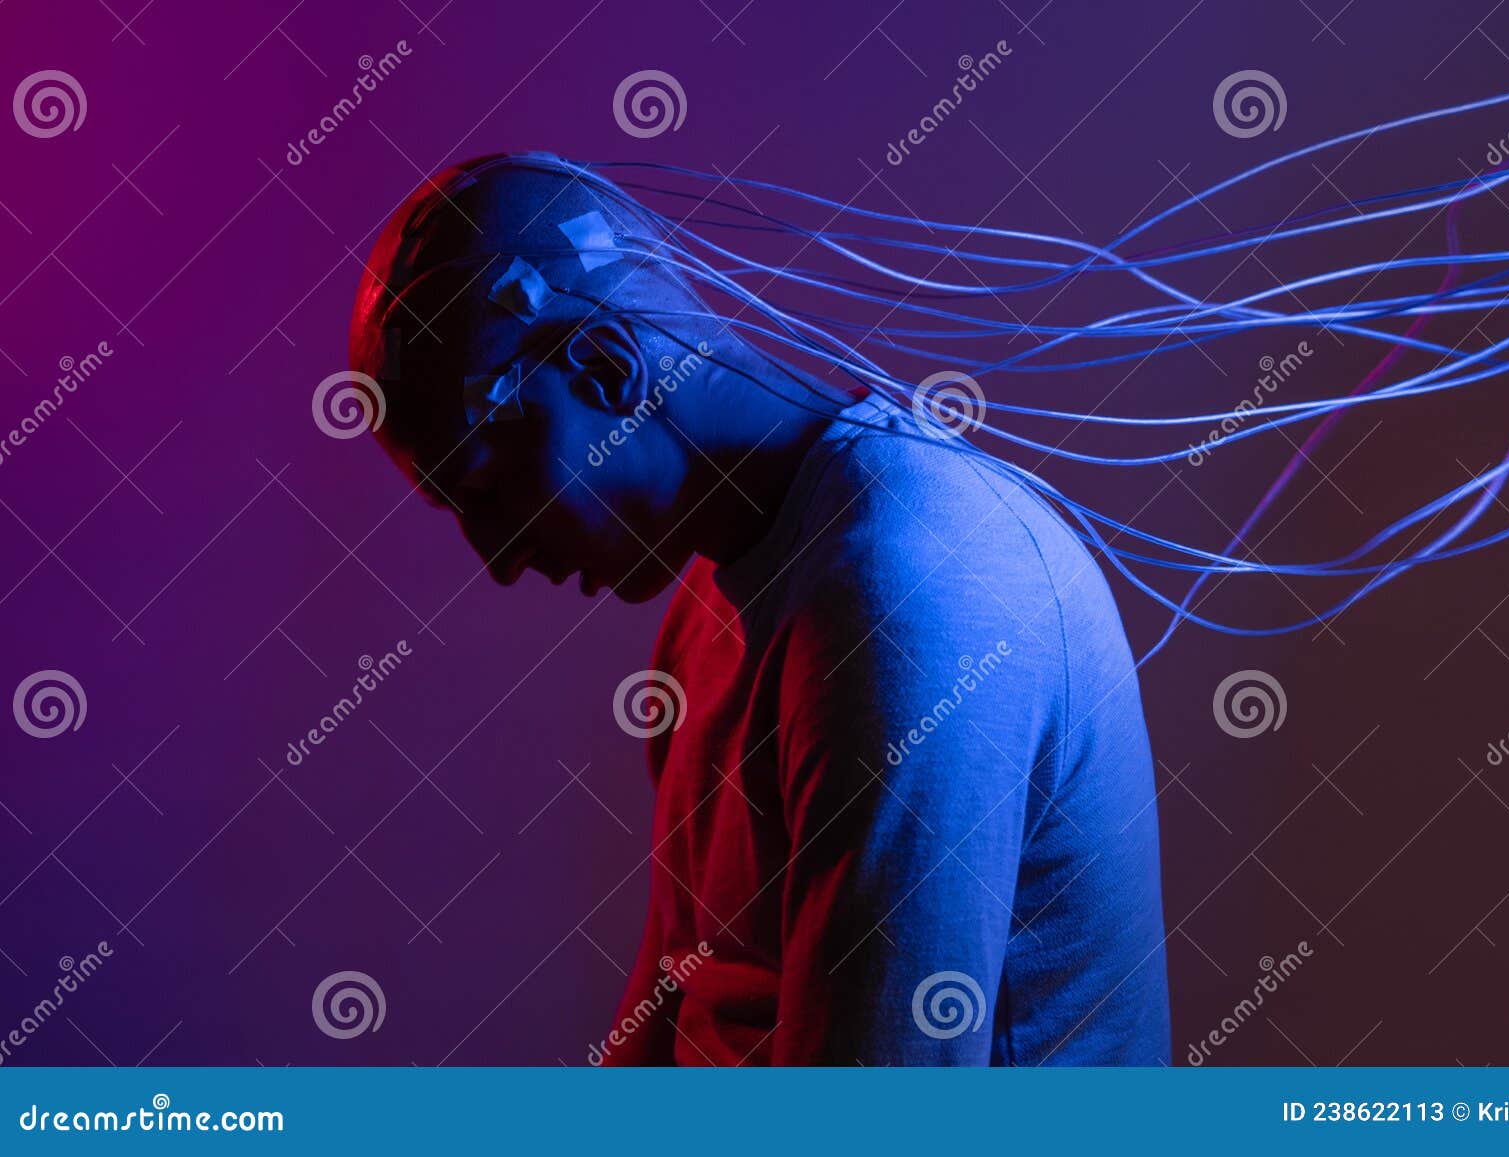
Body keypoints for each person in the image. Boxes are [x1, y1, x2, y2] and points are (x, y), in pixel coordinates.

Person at [348, 154, 1170, 1064]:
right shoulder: (710, 604)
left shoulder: (914, 591)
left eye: (491, 485)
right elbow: (675, 999)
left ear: (607, 370)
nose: (497, 559)